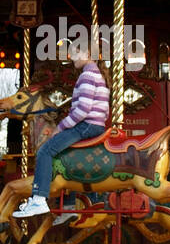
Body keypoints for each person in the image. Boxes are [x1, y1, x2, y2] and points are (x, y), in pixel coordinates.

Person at [13, 44, 109, 218]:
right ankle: (70, 206)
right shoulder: (98, 75)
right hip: (97, 125)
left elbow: (83, 110)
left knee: (45, 151)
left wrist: (60, 127)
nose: (72, 58)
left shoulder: (87, 75)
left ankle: (39, 199)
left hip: (86, 125)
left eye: (75, 54)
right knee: (68, 157)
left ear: (88, 53)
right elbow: (105, 110)